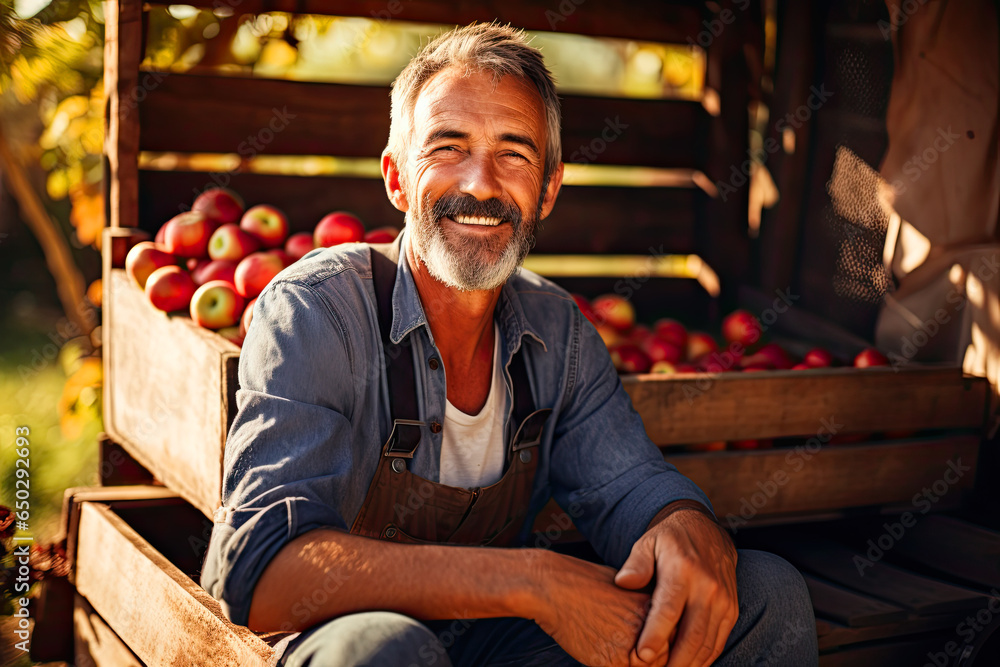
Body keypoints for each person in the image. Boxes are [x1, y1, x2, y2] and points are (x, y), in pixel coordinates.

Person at [201, 22, 817, 667]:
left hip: (498, 641)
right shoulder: (319, 311)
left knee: (766, 592)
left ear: (548, 189)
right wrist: (534, 582)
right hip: (347, 638)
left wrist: (689, 524)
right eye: (449, 148)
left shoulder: (558, 333)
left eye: (515, 154)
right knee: (387, 650)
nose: (482, 185)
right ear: (398, 178)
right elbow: (257, 572)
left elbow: (631, 482)